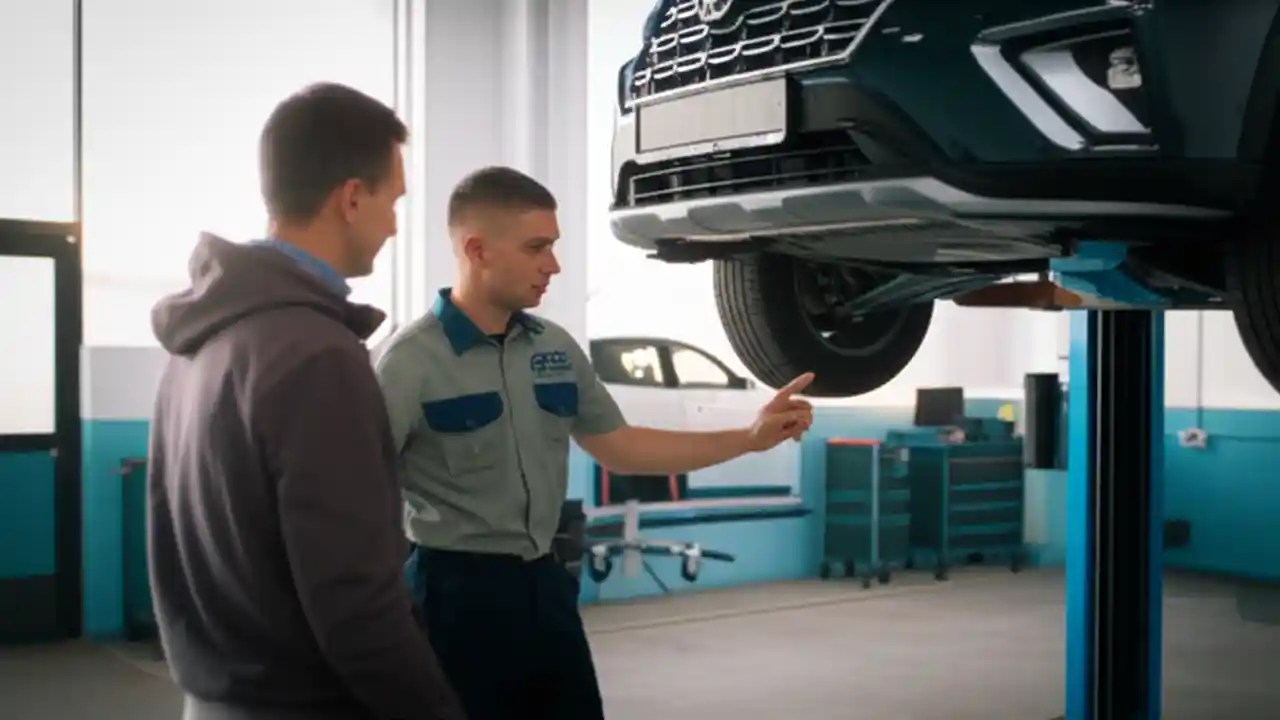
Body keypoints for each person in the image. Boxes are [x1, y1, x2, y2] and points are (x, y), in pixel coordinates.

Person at [373, 165, 815, 720]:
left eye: (553, 246)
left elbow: (622, 446)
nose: (553, 266)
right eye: (537, 247)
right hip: (453, 598)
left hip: (546, 586)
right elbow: (356, 495)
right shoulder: (408, 362)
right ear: (478, 250)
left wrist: (749, 439)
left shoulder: (554, 349)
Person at [147, 83, 465, 720]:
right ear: (351, 197)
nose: (394, 224)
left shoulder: (194, 344)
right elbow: (357, 609)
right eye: (392, 200)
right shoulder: (317, 355)